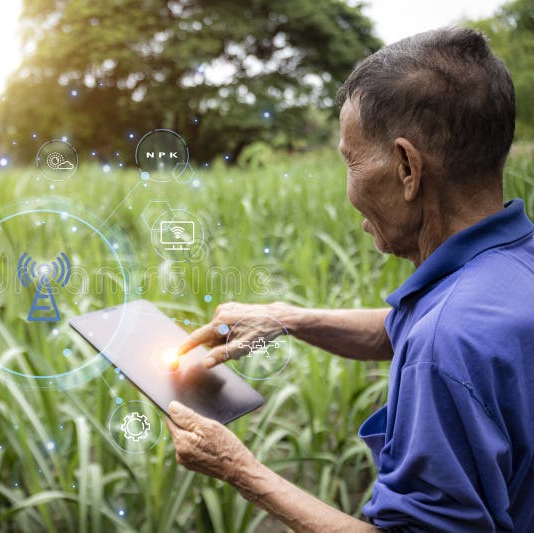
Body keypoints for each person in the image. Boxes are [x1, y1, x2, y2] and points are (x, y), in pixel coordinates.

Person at [167, 26, 534, 532]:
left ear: (407, 167)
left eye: (351, 160)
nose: (349, 190)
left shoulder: (445, 342)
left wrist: (240, 470)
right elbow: (414, 326)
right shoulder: (512, 264)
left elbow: (440, 341)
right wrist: (285, 319)